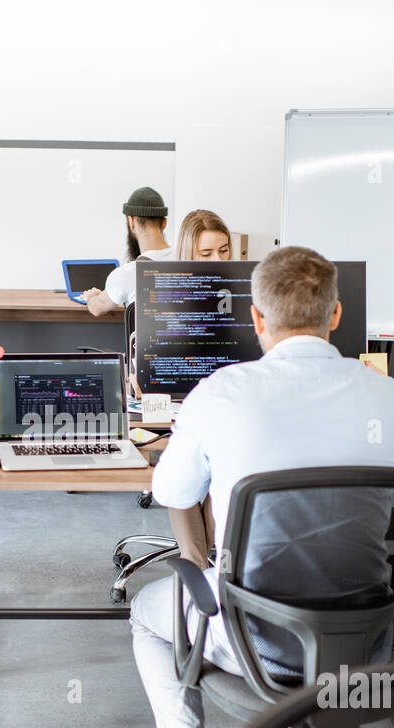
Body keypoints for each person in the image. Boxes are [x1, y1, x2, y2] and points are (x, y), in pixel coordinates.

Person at [129, 245, 394, 728]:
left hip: (256, 647)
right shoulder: (390, 399)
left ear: (256, 318)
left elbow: (172, 491)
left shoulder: (220, 394)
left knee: (147, 615)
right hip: (366, 647)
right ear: (337, 315)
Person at [163, 209, 235, 570]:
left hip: (229, 404)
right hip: (179, 405)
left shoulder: (242, 297)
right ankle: (196, 561)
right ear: (187, 255)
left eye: (224, 251)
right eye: (206, 254)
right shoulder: (163, 298)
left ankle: (203, 559)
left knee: (221, 451)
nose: (218, 261)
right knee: (189, 451)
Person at [83, 186, 173, 316]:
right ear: (164, 223)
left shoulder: (127, 274)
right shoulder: (187, 258)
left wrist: (91, 297)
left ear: (131, 222)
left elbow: (97, 309)